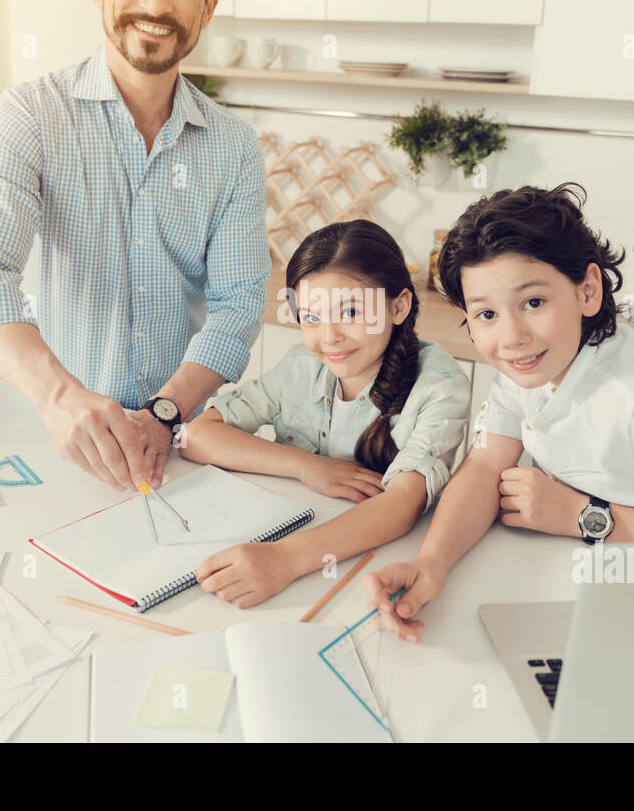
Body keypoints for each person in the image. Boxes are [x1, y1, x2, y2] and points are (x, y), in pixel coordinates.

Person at [0, 0, 268, 494]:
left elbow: (239, 302)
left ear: (207, 5)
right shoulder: (28, 117)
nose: (155, 2)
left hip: (182, 447)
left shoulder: (234, 148)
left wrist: (164, 413)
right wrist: (62, 400)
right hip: (51, 439)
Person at [365, 183, 634, 642]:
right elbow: (488, 462)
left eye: (533, 303)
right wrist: (431, 562)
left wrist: (582, 516)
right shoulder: (530, 364)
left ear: (587, 290)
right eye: (486, 314)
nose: (510, 337)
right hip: (586, 592)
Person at [178, 220, 472, 608]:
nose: (329, 336)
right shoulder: (301, 366)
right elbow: (196, 436)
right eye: (312, 318)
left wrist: (283, 559)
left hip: (373, 566)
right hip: (304, 531)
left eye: (350, 312)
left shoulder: (440, 385)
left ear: (398, 306)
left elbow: (402, 505)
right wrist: (306, 466)